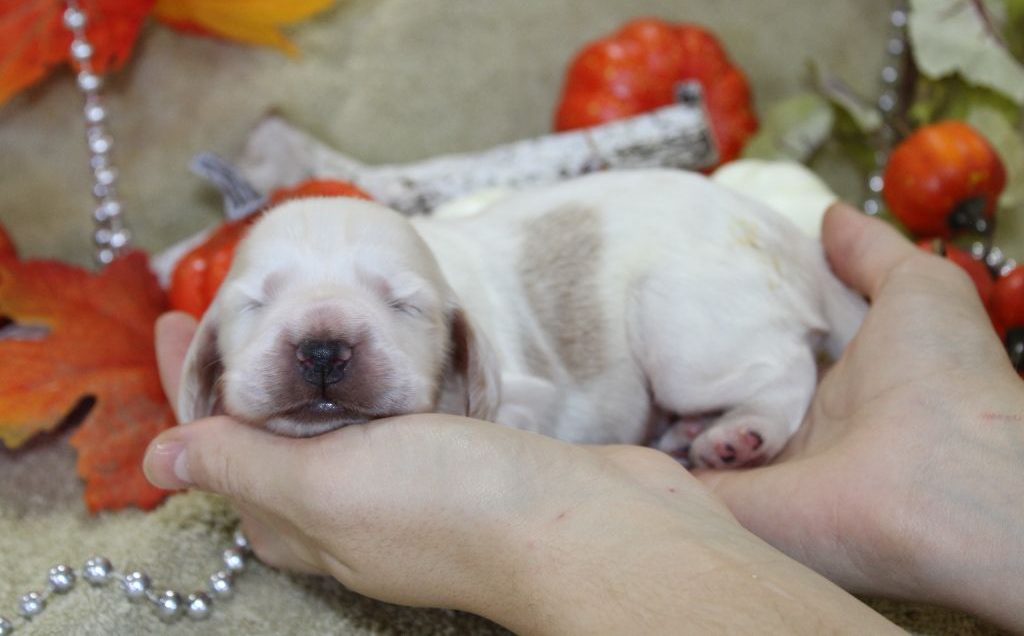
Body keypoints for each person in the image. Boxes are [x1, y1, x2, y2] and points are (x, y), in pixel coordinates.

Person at [143, 204, 1024, 634]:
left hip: (687, 245)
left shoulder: (489, 366)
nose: (324, 347)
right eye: (260, 306)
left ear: (466, 355)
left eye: (402, 306)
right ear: (205, 361)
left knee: (689, 344)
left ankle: (771, 389)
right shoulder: (407, 314)